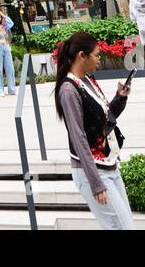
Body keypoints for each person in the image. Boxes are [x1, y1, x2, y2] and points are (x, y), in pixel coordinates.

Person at [54, 31, 134, 230]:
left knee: (124, 225)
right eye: (96, 55)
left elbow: (104, 121)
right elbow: (78, 137)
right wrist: (96, 183)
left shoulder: (87, 80)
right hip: (92, 171)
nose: (100, 59)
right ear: (82, 55)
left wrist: (120, 97)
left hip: (109, 165)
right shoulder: (69, 90)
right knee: (120, 227)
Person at [0, 10, 17, 97]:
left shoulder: (4, 25)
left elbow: (11, 23)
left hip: (6, 47)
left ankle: (12, 89)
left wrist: (3, 15)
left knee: (10, 69)